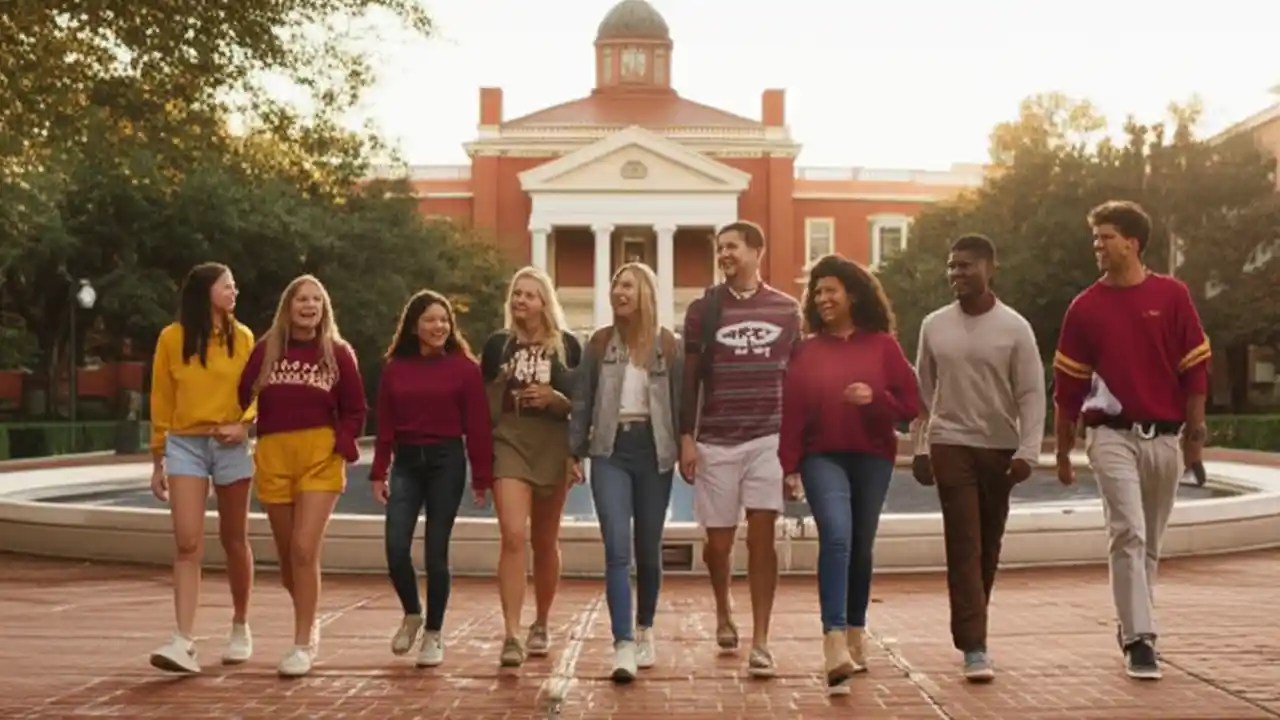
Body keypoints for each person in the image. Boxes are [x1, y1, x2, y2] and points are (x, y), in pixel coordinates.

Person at [1052, 200, 1210, 681]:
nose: (1097, 245)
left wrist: (1195, 439)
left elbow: (1195, 370)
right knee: (1129, 531)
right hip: (1110, 434)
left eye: (1106, 236)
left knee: (1152, 542)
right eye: (1095, 237)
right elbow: (1068, 388)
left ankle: (1132, 625)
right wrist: (1061, 449)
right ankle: (1141, 638)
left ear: (1133, 243)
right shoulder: (1084, 308)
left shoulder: (1173, 295)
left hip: (1164, 436)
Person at [778, 254, 919, 691]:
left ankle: (857, 634)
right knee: (836, 535)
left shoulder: (882, 346)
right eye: (817, 292)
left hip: (873, 457)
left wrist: (874, 398)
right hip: (823, 457)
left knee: (861, 545)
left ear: (852, 294)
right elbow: (794, 411)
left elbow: (910, 405)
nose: (822, 299)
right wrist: (789, 466)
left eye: (830, 290)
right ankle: (834, 640)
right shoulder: (807, 350)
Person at [910, 234, 1046, 682]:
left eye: (965, 266)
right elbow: (923, 393)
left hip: (999, 449)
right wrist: (923, 447)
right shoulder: (934, 325)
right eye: (951, 267)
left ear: (990, 268)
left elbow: (1030, 394)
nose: (956, 274)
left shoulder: (1015, 328)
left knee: (988, 545)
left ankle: (974, 625)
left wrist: (1028, 451)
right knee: (964, 542)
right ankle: (974, 645)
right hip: (951, 443)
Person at [678, 220, 802, 677]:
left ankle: (762, 639)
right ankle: (724, 609)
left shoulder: (788, 310)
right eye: (719, 248)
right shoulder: (703, 310)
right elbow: (690, 377)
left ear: (756, 251)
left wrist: (796, 450)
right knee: (718, 544)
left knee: (763, 536)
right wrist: (686, 436)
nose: (724, 254)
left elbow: (797, 381)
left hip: (767, 437)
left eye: (732, 246)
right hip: (715, 439)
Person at [238, 274, 367, 677]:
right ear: (288, 307)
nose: (309, 305)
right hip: (274, 454)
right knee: (287, 559)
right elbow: (242, 394)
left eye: (316, 299)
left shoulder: (338, 352)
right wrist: (242, 425)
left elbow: (356, 408)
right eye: (301, 299)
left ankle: (301, 643)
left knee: (303, 548)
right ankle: (308, 618)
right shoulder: (266, 350)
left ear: (324, 308)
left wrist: (343, 442)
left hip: (319, 455)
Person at [569, 263, 681, 683]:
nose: (619, 290)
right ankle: (622, 643)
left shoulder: (668, 346)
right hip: (611, 451)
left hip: (654, 451)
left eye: (627, 284)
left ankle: (645, 627)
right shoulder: (599, 344)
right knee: (617, 547)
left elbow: (681, 400)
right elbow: (583, 399)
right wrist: (574, 452)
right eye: (616, 284)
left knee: (647, 547)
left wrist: (686, 444)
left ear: (645, 293)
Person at [371, 290, 493, 668]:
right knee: (395, 550)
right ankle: (412, 612)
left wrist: (481, 476)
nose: (439, 326)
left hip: (446, 462)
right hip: (406, 463)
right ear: (414, 325)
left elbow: (477, 427)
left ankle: (435, 634)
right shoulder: (395, 369)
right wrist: (379, 471)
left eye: (444, 320)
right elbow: (385, 424)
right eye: (430, 319)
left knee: (436, 553)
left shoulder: (465, 369)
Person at [147, 262, 257, 673]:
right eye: (227, 286)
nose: (234, 292)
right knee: (187, 541)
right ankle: (183, 640)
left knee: (234, 538)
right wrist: (158, 457)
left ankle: (241, 625)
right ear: (206, 291)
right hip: (185, 445)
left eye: (234, 285)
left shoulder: (242, 337)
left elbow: (259, 390)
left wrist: (244, 426)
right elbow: (161, 397)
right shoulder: (171, 339)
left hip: (230, 445)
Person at [480, 266, 583, 667]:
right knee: (511, 535)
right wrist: (500, 385)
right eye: (516, 293)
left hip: (552, 444)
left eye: (530, 294)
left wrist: (555, 398)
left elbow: (580, 404)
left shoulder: (568, 347)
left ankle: (541, 621)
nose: (521, 300)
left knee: (544, 541)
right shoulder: (497, 346)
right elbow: (482, 404)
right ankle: (510, 633)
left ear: (544, 302)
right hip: (510, 440)